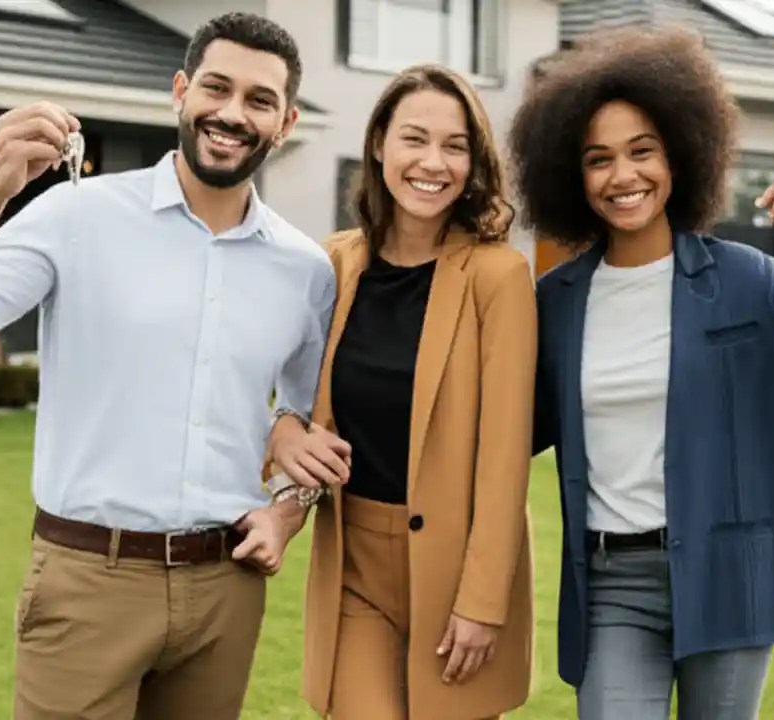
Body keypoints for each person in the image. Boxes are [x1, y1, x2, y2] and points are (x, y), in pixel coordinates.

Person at [0, 12, 350, 720]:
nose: (231, 114)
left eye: (259, 100)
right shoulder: (77, 215)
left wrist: (288, 513)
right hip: (87, 581)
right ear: (180, 91)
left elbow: (304, 421)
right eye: (216, 89)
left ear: (285, 122)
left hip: (225, 590)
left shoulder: (305, 269)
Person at [509, 27, 774, 720]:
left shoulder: (751, 280)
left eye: (642, 151)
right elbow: (510, 428)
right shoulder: (557, 302)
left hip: (729, 574)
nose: (623, 177)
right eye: (599, 159)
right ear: (573, 175)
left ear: (680, 155)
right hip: (611, 582)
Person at [265, 64, 537, 720]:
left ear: (473, 162)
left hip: (456, 575)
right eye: (415, 139)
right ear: (380, 143)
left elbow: (505, 461)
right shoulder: (330, 265)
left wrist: (482, 604)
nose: (433, 163)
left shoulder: (499, 277)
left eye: (455, 146)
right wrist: (282, 432)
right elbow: (279, 391)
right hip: (355, 566)